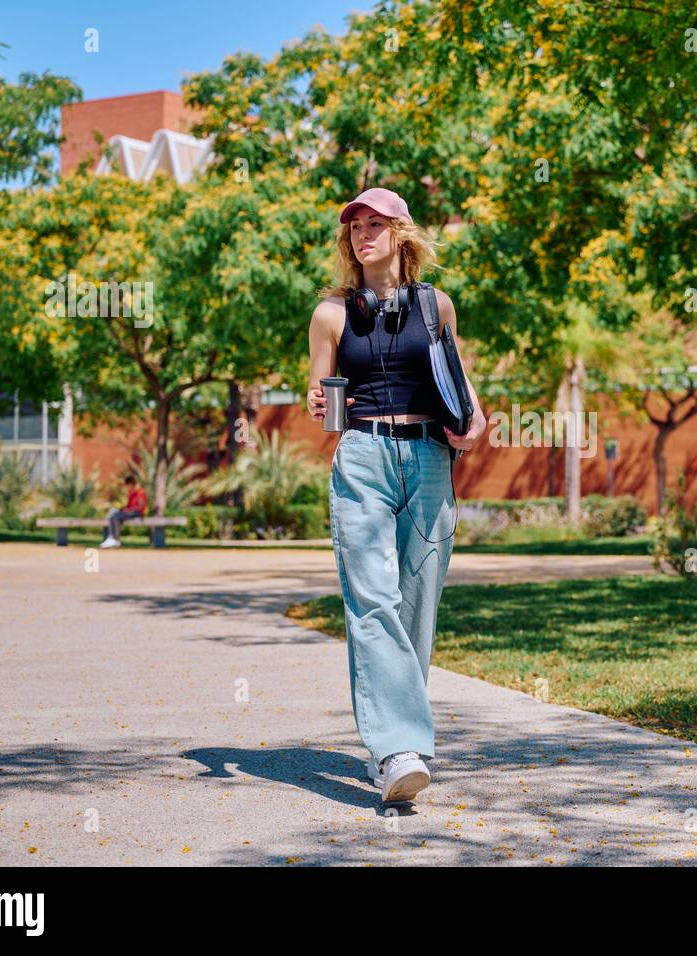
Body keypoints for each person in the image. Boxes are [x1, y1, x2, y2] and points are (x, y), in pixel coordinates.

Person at [307, 187, 486, 805]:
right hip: (362, 456)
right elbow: (322, 402)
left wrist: (477, 420)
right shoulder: (331, 313)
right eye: (355, 225)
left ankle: (396, 739)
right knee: (373, 602)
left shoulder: (438, 306)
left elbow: (458, 381)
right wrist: (315, 402)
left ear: (402, 233)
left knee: (417, 606)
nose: (363, 233)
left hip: (429, 457)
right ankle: (398, 752)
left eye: (375, 223)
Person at [101, 475, 147, 549]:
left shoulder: (140, 492)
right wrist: (122, 509)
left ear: (131, 484)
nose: (127, 488)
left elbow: (140, 507)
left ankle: (116, 540)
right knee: (112, 514)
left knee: (116, 516)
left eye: (127, 486)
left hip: (137, 513)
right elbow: (128, 506)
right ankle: (109, 538)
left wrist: (128, 509)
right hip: (130, 512)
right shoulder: (130, 494)